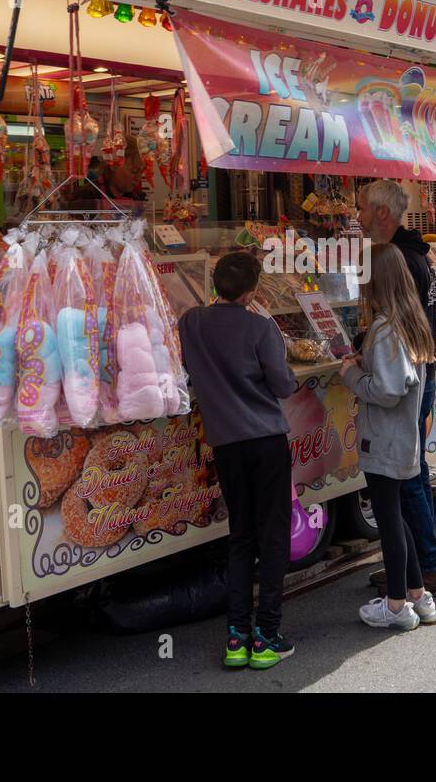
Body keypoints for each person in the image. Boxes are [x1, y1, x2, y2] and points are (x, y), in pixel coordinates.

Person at [177, 252, 298, 669]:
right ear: (253, 291)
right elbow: (283, 385)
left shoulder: (191, 323)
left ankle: (236, 637)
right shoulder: (261, 328)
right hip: (265, 441)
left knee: (241, 535)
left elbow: (188, 366)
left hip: (226, 444)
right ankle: (267, 633)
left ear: (215, 285)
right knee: (273, 535)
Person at [341, 243, 436, 631]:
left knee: (390, 520)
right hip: (404, 437)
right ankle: (419, 596)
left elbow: (387, 389)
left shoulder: (385, 328)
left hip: (385, 438)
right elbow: (401, 377)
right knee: (398, 517)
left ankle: (396, 604)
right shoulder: (410, 319)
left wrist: (352, 376)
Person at [356, 180, 436, 597]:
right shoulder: (414, 255)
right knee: (414, 473)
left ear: (381, 213)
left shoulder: (400, 259)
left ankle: (422, 572)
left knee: (405, 478)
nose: (357, 217)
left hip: (406, 378)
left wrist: (361, 365)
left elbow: (396, 339)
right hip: (419, 371)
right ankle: (416, 569)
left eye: (361, 209)